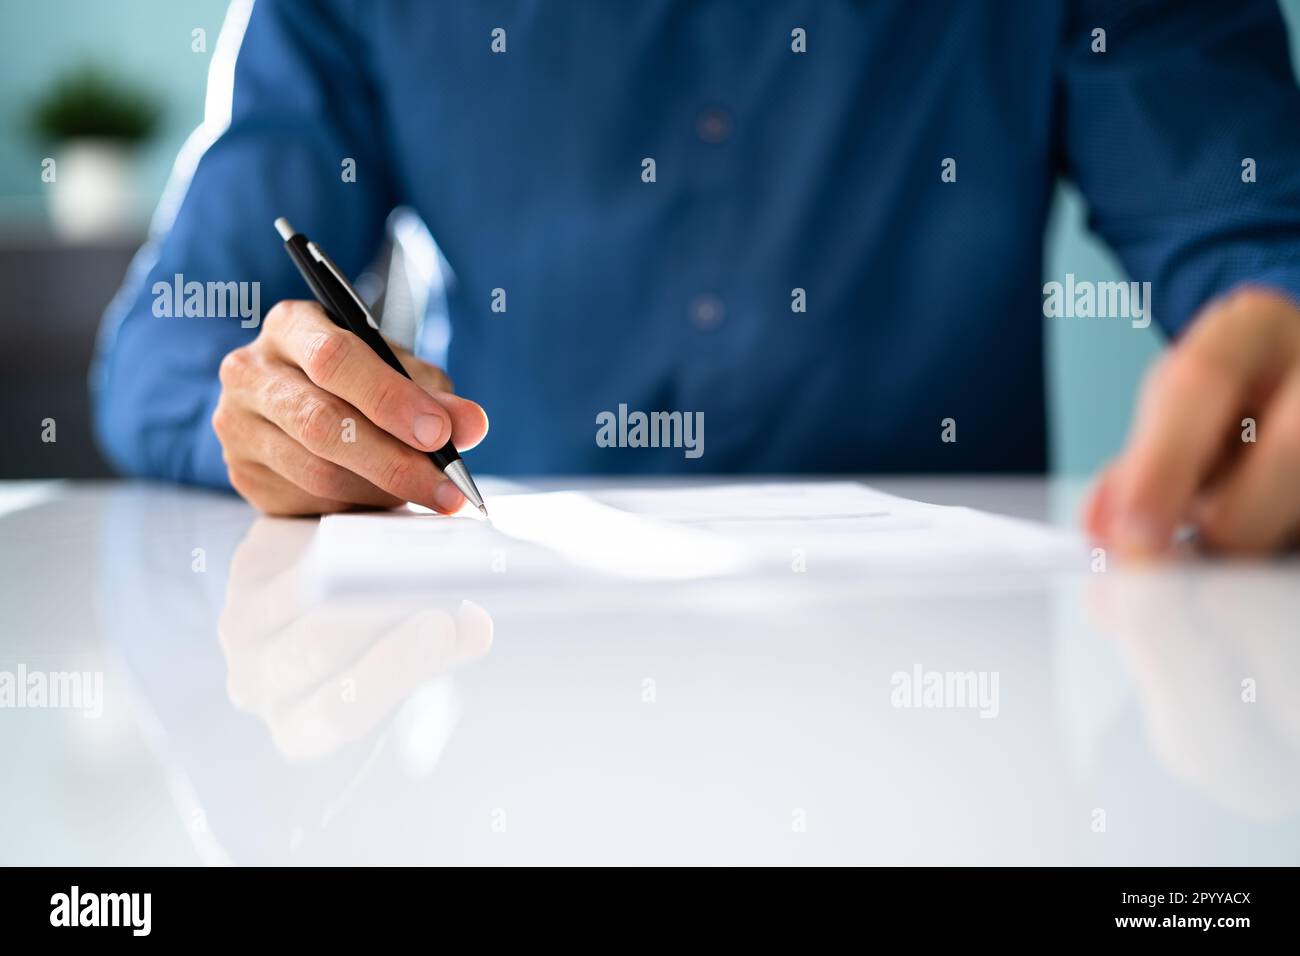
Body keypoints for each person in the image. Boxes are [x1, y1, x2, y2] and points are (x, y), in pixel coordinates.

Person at [93, 0, 1300, 554]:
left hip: (968, 720)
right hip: (509, 719)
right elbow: (173, 340)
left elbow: (1256, 225)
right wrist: (276, 412)